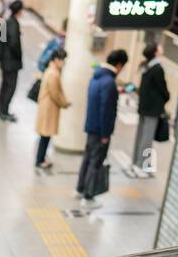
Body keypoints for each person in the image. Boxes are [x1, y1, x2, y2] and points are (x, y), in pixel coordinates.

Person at [76, 48, 127, 210]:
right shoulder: (109, 83)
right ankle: (89, 195)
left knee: (87, 158)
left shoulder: (96, 76)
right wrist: (106, 134)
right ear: (119, 65)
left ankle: (80, 188)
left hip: (91, 125)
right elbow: (106, 110)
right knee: (96, 162)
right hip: (100, 130)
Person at [132, 41, 170, 177]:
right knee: (147, 138)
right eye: (159, 46)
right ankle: (142, 166)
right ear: (155, 52)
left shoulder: (146, 67)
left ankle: (136, 162)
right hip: (152, 110)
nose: (161, 47)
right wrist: (167, 97)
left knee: (141, 136)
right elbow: (163, 90)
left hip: (144, 107)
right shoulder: (157, 68)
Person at [35, 48, 69, 171]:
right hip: (49, 108)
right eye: (62, 60)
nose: (63, 63)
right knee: (45, 136)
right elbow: (55, 93)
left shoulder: (50, 71)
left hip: (47, 107)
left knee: (45, 136)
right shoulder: (53, 74)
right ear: (56, 59)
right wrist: (65, 103)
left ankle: (41, 158)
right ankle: (40, 160)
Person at [0, 0, 23, 122]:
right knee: (10, 87)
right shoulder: (13, 24)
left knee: (5, 86)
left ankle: (2, 111)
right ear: (19, 11)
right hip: (11, 62)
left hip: (5, 61)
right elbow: (14, 44)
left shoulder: (6, 22)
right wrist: (19, 56)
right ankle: (4, 112)